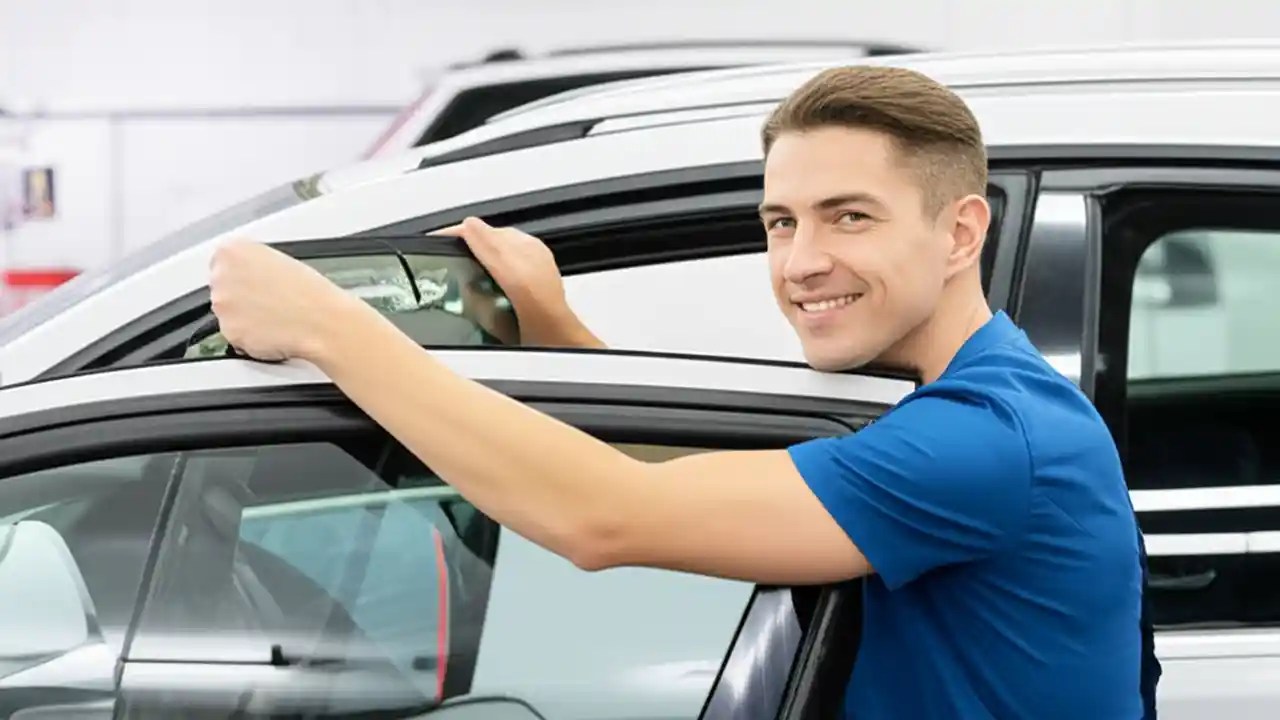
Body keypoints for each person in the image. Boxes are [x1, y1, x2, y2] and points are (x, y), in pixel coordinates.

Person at [208, 64, 1159, 718]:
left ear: (960, 235)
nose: (802, 261)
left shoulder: (985, 441)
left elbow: (606, 518)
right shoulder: (975, 404)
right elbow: (723, 487)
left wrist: (326, 328)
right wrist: (559, 336)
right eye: (780, 223)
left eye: (849, 218)